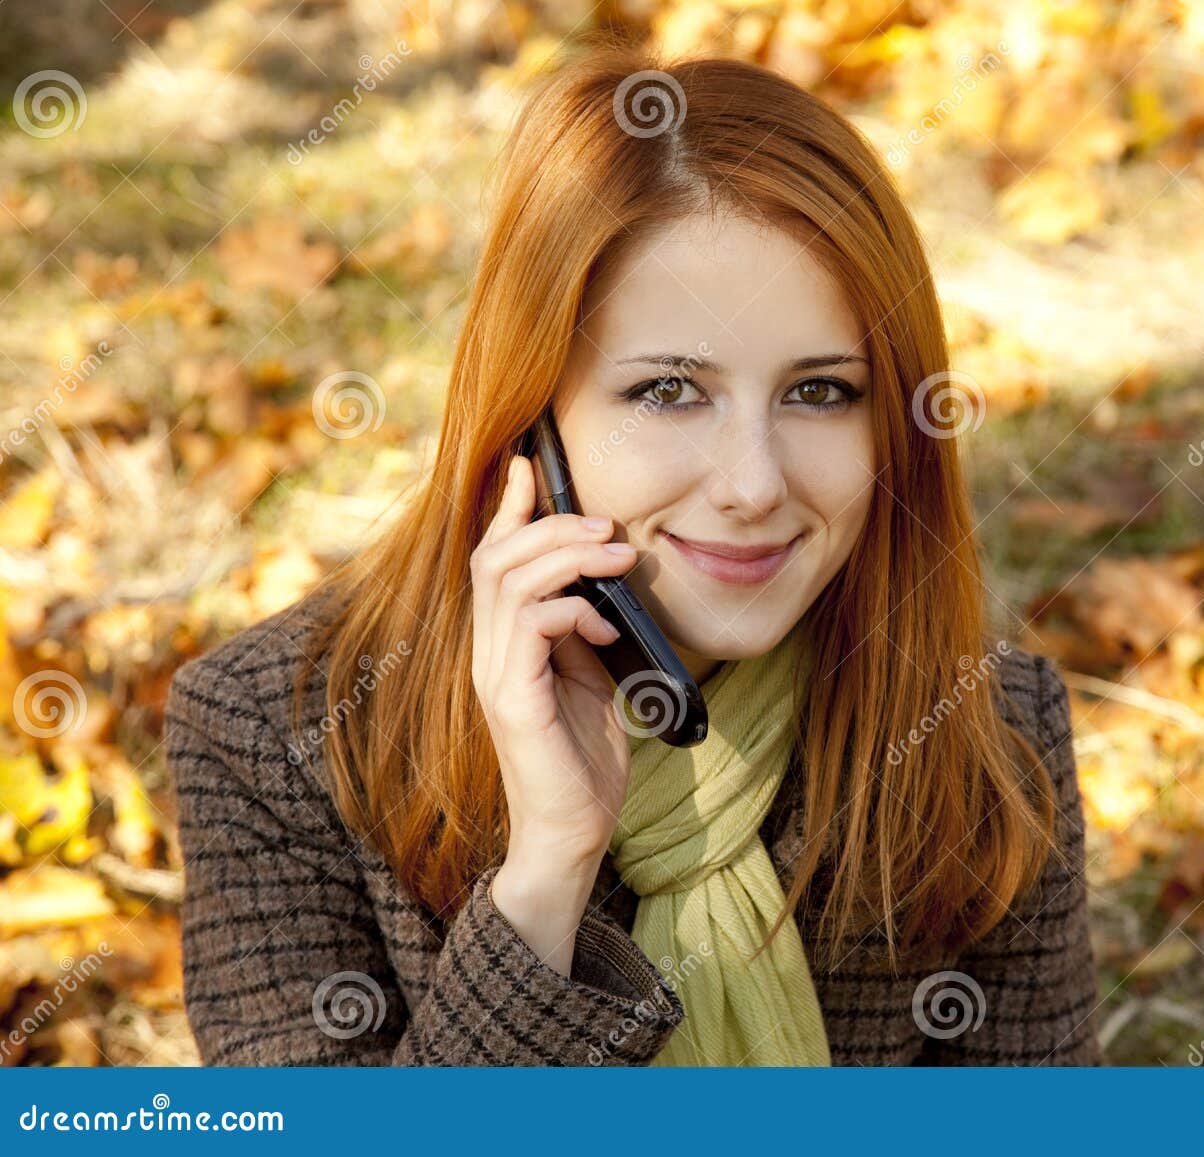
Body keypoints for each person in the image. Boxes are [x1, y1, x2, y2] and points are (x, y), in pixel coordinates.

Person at [165, 40, 1101, 1066]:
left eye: (820, 391)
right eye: (667, 390)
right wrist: (544, 879)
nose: (752, 483)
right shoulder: (272, 738)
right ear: (534, 416)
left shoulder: (982, 729)